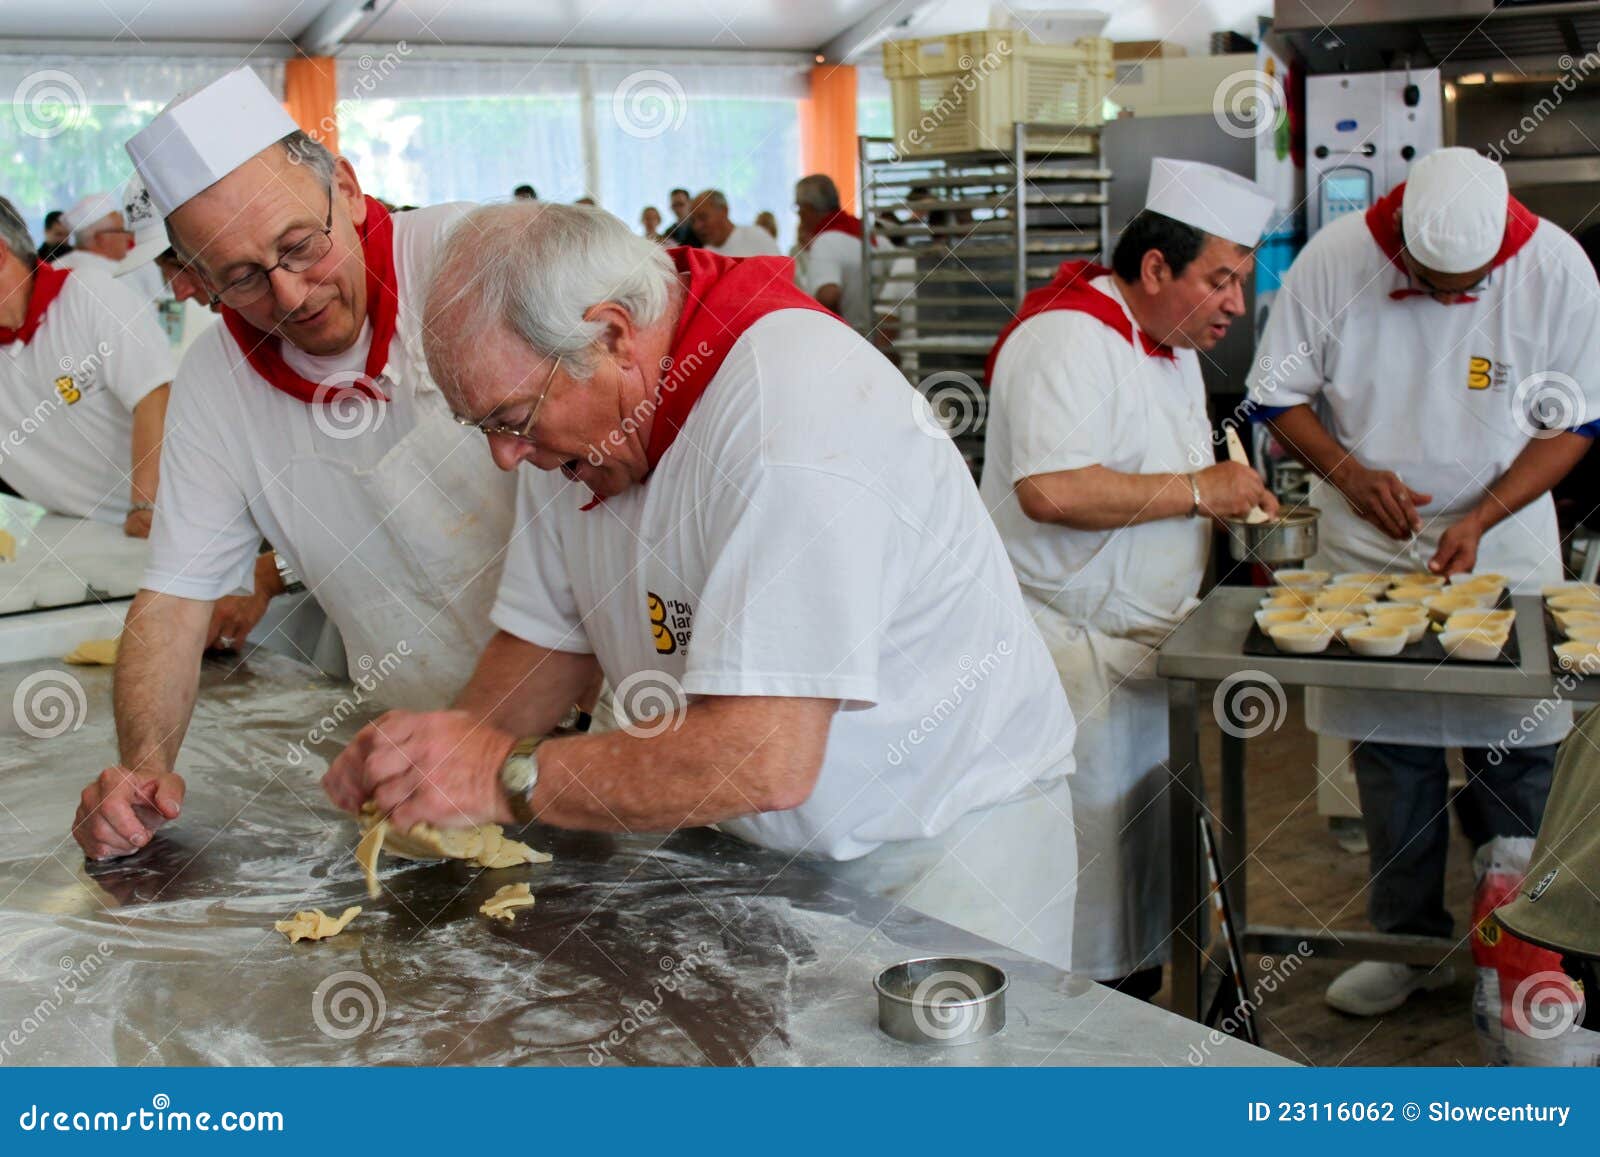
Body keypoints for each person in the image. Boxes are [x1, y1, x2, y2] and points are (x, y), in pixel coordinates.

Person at [322, 202, 1084, 970]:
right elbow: (549, 642)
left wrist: (501, 773)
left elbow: (764, 757)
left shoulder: (792, 417)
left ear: (613, 334)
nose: (504, 456)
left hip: (939, 862)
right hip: (753, 851)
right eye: (483, 425)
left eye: (512, 419)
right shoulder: (578, 425)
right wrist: (431, 766)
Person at [70, 66, 521, 861]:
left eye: (299, 246)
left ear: (344, 188)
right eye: (241, 276)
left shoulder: (473, 264)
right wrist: (141, 771)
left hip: (606, 721)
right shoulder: (216, 380)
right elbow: (175, 599)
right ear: (198, 283)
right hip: (421, 762)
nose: (288, 295)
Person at [1249, 147, 1600, 1016]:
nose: (1449, 300)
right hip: (1370, 544)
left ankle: (1522, 940)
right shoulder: (1336, 258)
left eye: (1467, 285)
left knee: (1516, 753)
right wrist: (1349, 473)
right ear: (1399, 241)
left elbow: (1578, 419)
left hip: (1504, 540)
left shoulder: (1556, 266)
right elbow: (1276, 395)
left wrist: (1485, 512)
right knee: (1393, 753)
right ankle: (1405, 942)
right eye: (1431, 281)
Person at [981, 158, 1279, 997]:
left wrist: (1218, 505)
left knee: (1146, 879)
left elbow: (1153, 480)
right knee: (1080, 902)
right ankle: (1080, 1057)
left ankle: (1147, 1006)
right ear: (1156, 268)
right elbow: (1050, 490)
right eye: (1219, 281)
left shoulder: (1175, 347)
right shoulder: (1066, 338)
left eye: (1240, 282)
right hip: (1067, 663)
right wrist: (1195, 491)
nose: (1235, 303)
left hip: (1144, 656)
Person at [0, 195, 171, 535]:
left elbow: (155, 394)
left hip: (170, 523)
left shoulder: (87, 294)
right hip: (83, 541)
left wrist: (145, 508)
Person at [792, 173, 871, 331]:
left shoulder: (826, 242)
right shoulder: (866, 232)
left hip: (848, 337)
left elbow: (827, 297)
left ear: (807, 208)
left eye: (798, 208)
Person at [55, 192, 133, 274]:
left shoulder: (58, 267)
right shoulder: (107, 273)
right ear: (101, 239)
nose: (128, 237)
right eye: (122, 230)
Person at [688, 189, 780, 257]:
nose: (697, 226)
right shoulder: (705, 256)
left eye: (703, 217)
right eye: (693, 221)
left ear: (724, 211)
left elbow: (782, 277)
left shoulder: (756, 236)